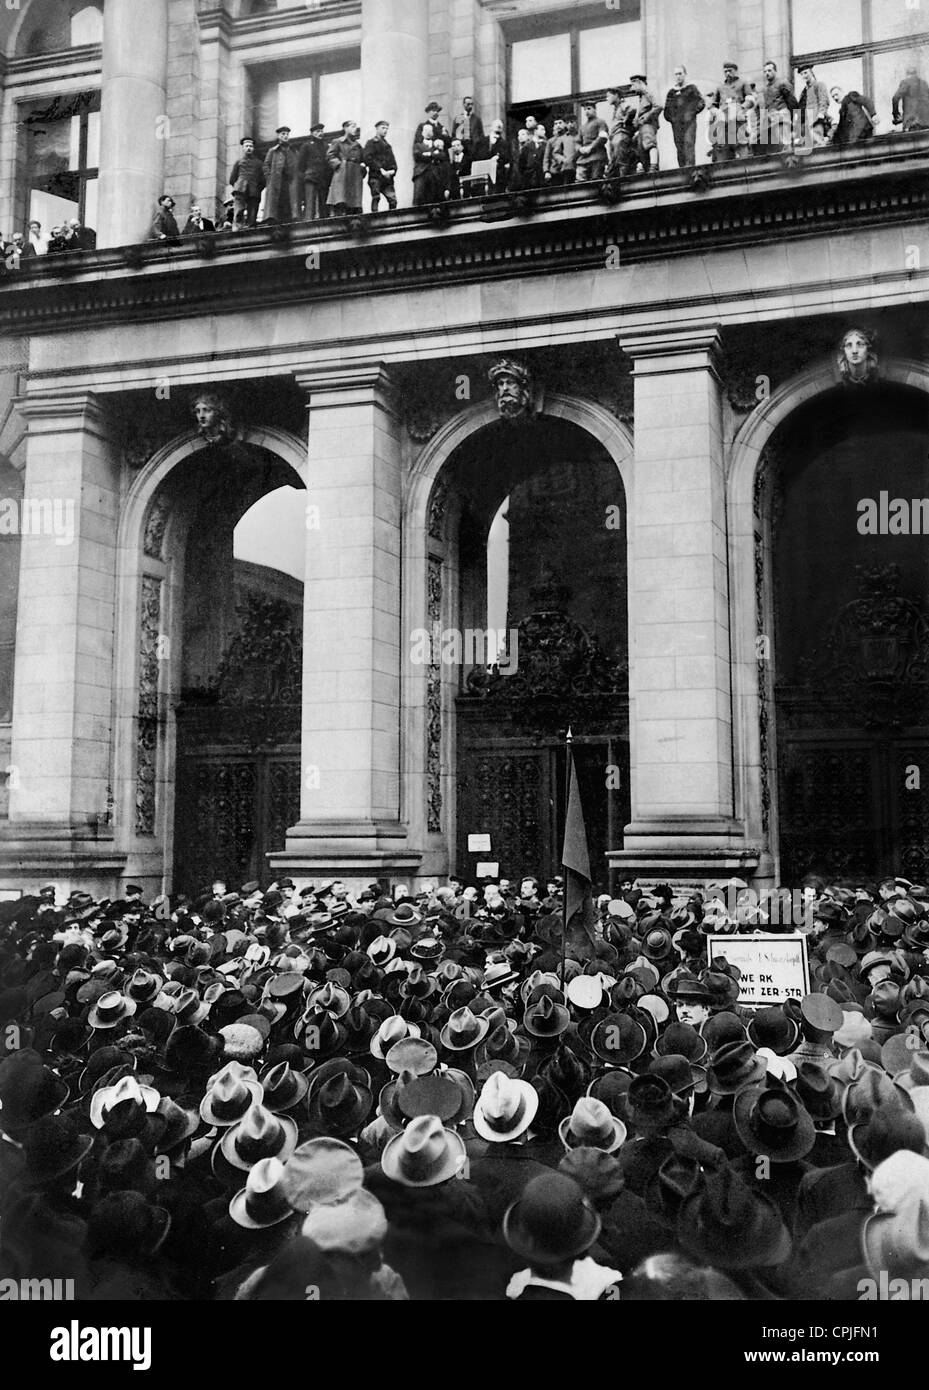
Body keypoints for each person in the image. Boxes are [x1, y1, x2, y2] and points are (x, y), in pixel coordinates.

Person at [709, 61, 755, 162]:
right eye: (725, 71)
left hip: (738, 122)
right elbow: (712, 106)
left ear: (735, 71)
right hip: (723, 124)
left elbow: (750, 100)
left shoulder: (743, 84)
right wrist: (717, 112)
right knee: (723, 152)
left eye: (730, 71)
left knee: (742, 149)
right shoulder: (720, 87)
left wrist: (741, 108)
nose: (728, 73)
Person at [663, 65, 706, 168]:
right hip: (677, 124)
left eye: (680, 73)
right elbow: (667, 109)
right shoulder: (671, 92)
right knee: (679, 146)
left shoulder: (691, 88)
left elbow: (701, 102)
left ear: (685, 74)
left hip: (689, 123)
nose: (678, 76)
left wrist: (691, 113)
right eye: (676, 74)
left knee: (688, 143)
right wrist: (672, 119)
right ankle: (682, 170)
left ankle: (690, 168)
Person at [756, 60, 798, 153]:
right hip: (771, 120)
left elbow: (792, 101)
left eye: (769, 70)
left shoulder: (782, 83)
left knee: (785, 145)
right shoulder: (765, 89)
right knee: (776, 146)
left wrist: (792, 118)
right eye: (765, 71)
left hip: (781, 118)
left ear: (775, 71)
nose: (767, 73)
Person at [326, 121, 366, 217]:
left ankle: (353, 213)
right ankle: (341, 212)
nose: (355, 129)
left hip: (355, 172)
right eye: (352, 126)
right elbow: (330, 155)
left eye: (356, 127)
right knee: (341, 196)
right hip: (343, 172)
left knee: (354, 199)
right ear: (345, 128)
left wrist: (362, 167)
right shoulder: (338, 141)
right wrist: (339, 164)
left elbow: (363, 158)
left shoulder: (358, 145)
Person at [262, 125, 301, 223]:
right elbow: (266, 165)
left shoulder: (293, 151)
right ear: (279, 136)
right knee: (277, 201)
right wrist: (269, 177)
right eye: (283, 134)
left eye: (287, 134)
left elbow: (299, 165)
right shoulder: (273, 151)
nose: (285, 136)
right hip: (276, 181)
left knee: (290, 200)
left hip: (290, 181)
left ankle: (290, 218)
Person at [229, 136, 265, 229]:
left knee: (252, 212)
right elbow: (232, 178)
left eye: (251, 146)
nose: (249, 148)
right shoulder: (239, 162)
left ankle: (251, 228)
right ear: (243, 148)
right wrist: (238, 185)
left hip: (254, 190)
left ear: (253, 148)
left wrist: (257, 188)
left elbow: (263, 180)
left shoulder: (259, 163)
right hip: (240, 190)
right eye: (247, 146)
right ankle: (237, 228)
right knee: (239, 211)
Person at [362, 120, 398, 213]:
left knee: (393, 200)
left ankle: (392, 218)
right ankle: (374, 217)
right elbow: (367, 158)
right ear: (377, 129)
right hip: (375, 177)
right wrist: (380, 169)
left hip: (387, 179)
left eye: (387, 128)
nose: (385, 130)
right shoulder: (371, 143)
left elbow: (393, 162)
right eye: (383, 128)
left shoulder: (388, 146)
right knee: (376, 197)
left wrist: (392, 171)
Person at [298, 122, 330, 221]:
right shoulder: (307, 146)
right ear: (312, 134)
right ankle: (309, 220)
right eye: (317, 131)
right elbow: (301, 163)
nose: (320, 133)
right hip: (311, 177)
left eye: (321, 131)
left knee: (323, 200)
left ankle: (323, 220)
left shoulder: (326, 146)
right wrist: (306, 173)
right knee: (310, 200)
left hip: (323, 177)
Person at [629, 74, 661, 172]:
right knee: (638, 146)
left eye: (633, 85)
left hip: (648, 124)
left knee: (649, 143)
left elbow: (659, 106)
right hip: (642, 126)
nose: (632, 89)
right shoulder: (642, 97)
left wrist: (646, 117)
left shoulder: (649, 93)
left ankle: (653, 165)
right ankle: (644, 167)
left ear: (640, 83)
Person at [575, 100, 609, 181]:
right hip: (584, 158)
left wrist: (590, 147)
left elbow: (602, 137)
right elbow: (577, 142)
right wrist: (580, 149)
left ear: (594, 109)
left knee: (596, 179)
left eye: (589, 108)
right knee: (580, 178)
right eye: (585, 109)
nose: (587, 111)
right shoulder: (582, 127)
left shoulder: (600, 122)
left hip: (597, 155)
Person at [798, 65, 831, 146]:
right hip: (806, 122)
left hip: (816, 120)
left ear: (811, 72)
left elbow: (824, 100)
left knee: (818, 143)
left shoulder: (819, 85)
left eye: (806, 73)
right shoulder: (803, 92)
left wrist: (821, 114)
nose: (804, 76)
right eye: (802, 74)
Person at [892, 65, 929, 131]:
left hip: (912, 122)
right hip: (927, 122)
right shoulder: (924, 83)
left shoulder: (906, 82)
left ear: (907, 74)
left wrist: (896, 114)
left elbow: (895, 98)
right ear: (916, 73)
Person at [510, 127, 543, 192]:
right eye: (519, 135)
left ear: (528, 136)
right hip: (516, 179)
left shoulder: (531, 148)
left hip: (528, 179)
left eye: (523, 134)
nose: (520, 137)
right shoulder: (515, 150)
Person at [486, 118, 511, 192]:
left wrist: (498, 158)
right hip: (484, 175)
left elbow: (507, 159)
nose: (499, 127)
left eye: (500, 126)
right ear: (491, 127)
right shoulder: (481, 142)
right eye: (496, 125)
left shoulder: (505, 144)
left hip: (499, 178)